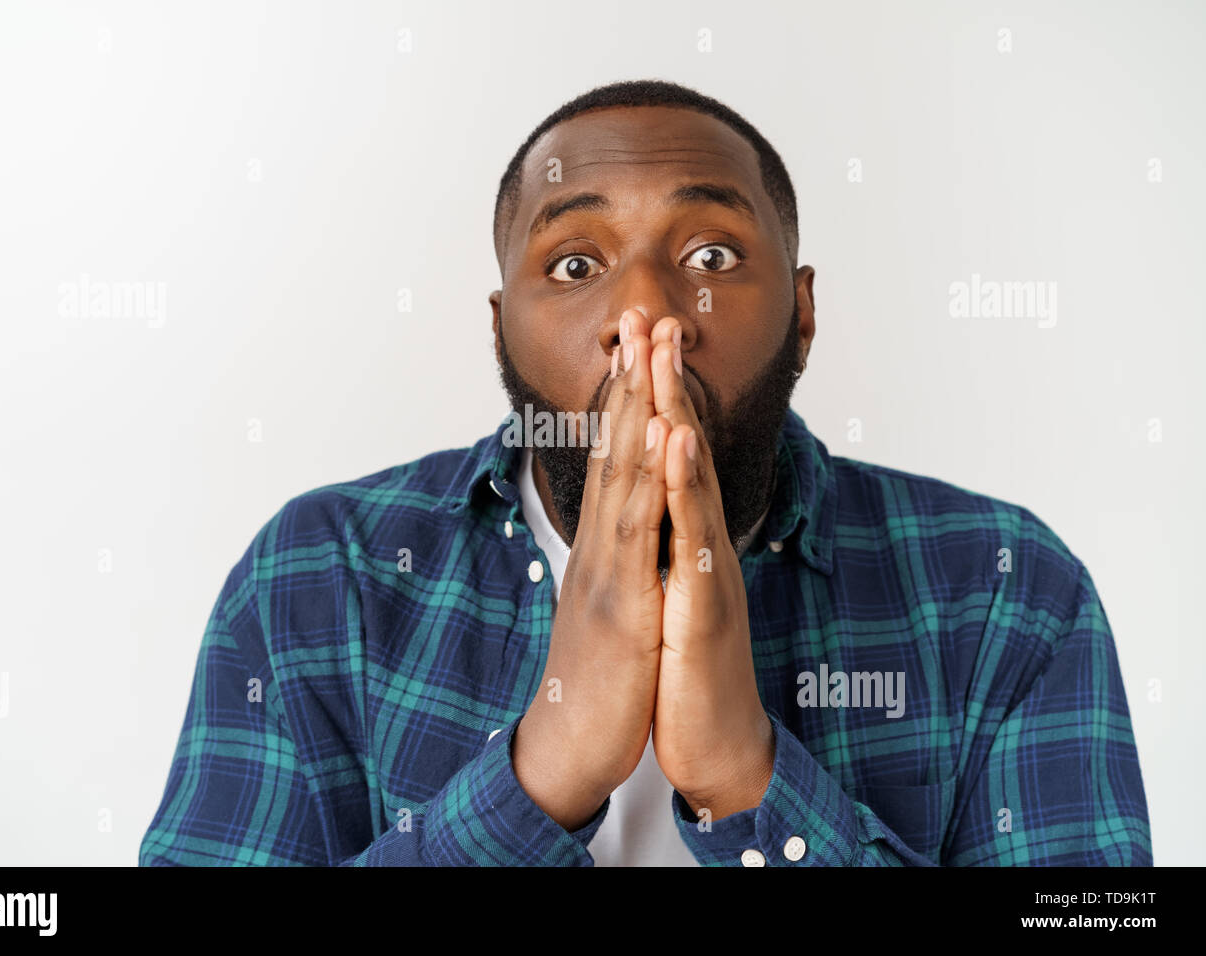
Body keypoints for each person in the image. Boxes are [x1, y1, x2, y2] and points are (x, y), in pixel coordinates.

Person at [140, 79, 1151, 866]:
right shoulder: (315, 580)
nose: (647, 318)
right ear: (502, 329)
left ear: (802, 311)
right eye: (575, 264)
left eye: (711, 255)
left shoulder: (1009, 591)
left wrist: (749, 779)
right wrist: (540, 771)